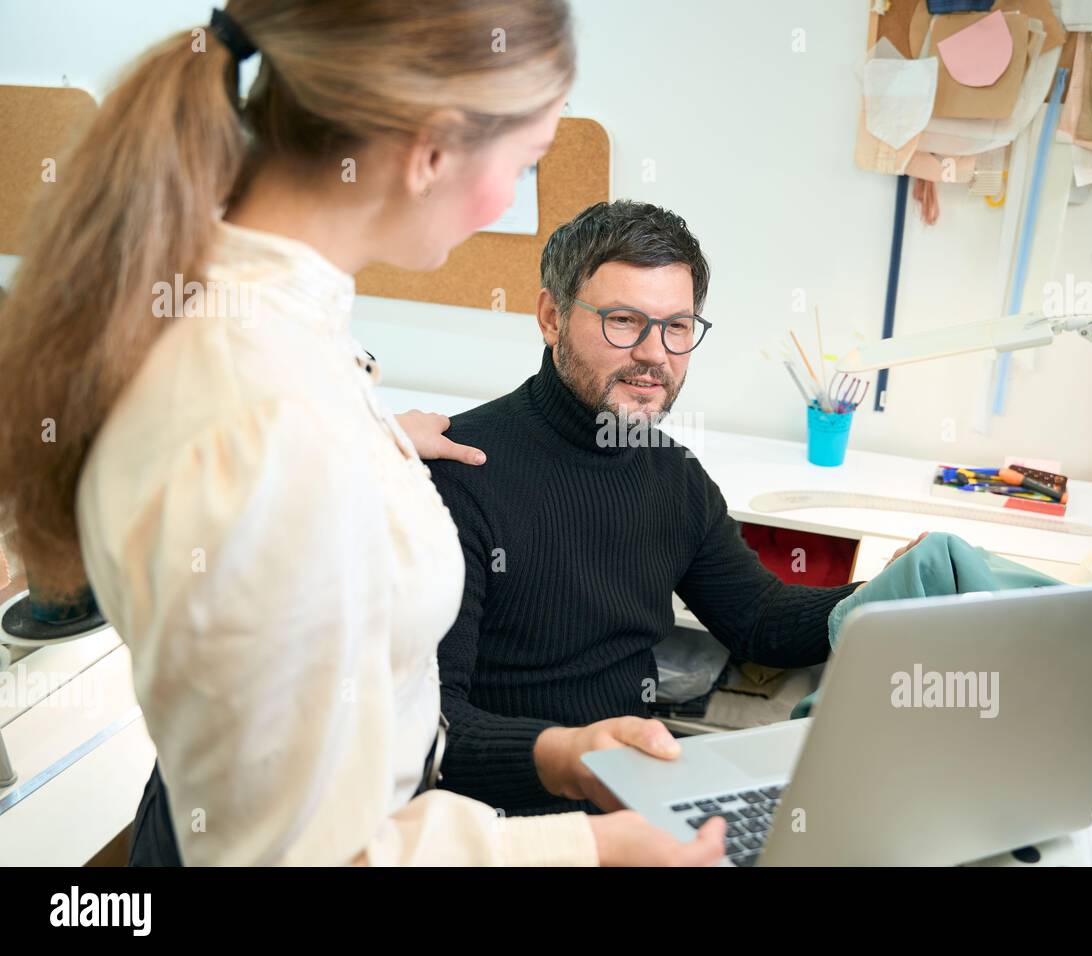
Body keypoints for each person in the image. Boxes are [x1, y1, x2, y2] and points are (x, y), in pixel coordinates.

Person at [0, 1, 722, 866]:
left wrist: (555, 756)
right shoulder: (267, 416)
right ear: (433, 147)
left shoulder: (286, 340)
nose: (507, 198)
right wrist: (596, 852)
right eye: (526, 161)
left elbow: (364, 734)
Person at [423, 200, 927, 816]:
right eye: (624, 321)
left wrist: (884, 593)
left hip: (630, 795)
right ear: (551, 317)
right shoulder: (457, 476)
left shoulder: (673, 474)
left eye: (678, 327)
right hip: (500, 826)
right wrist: (572, 756)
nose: (654, 353)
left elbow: (759, 620)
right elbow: (430, 728)